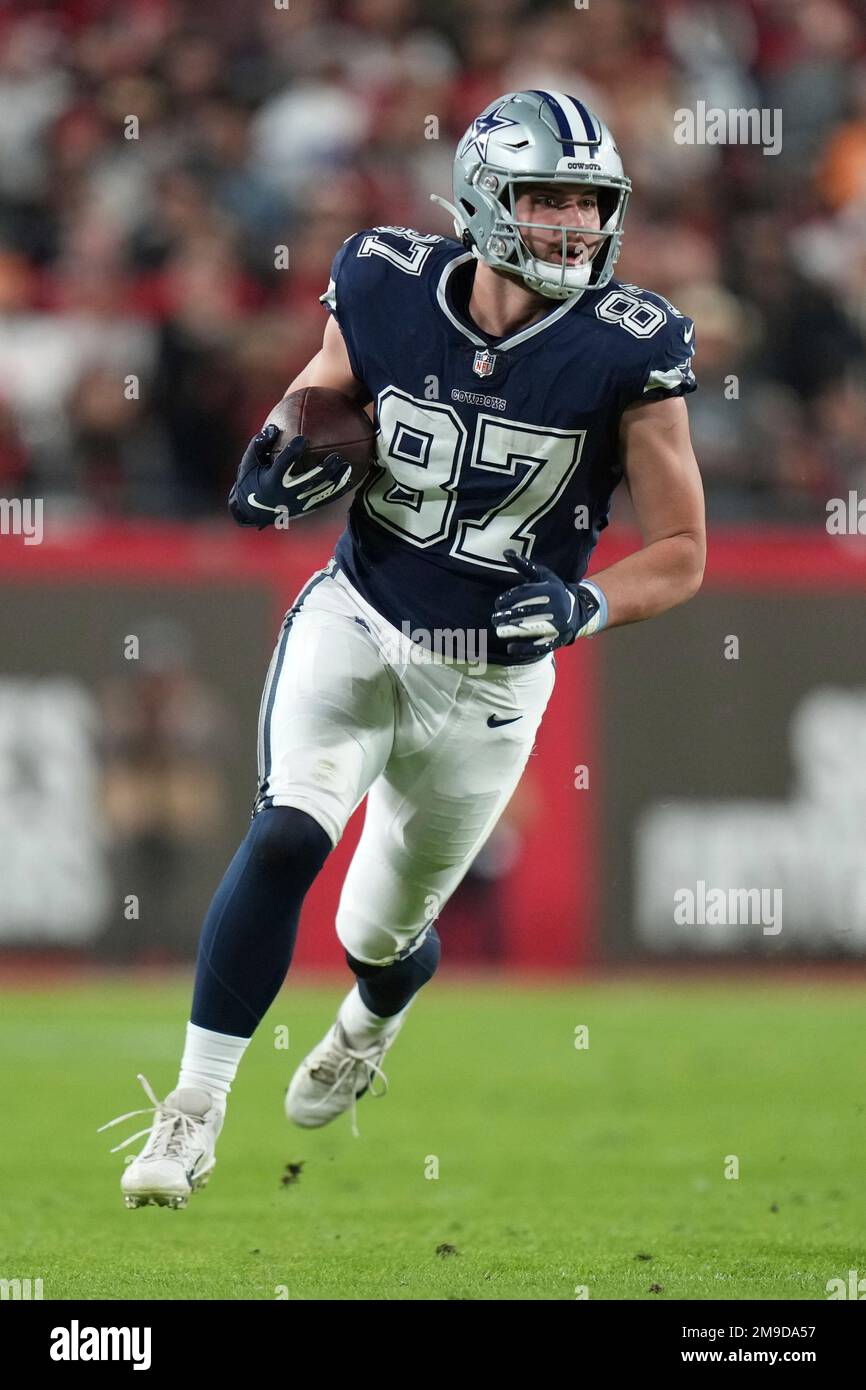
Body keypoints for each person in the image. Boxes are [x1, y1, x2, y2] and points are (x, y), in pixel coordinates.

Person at [101, 91, 705, 1208]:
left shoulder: (631, 346)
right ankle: (191, 1111)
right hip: (362, 616)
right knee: (287, 832)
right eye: (547, 198)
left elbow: (678, 552)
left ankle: (374, 1011)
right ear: (484, 197)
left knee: (378, 933)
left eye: (589, 202)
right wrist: (282, 440)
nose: (574, 224)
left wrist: (580, 608)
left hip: (488, 675)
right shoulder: (383, 279)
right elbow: (323, 389)